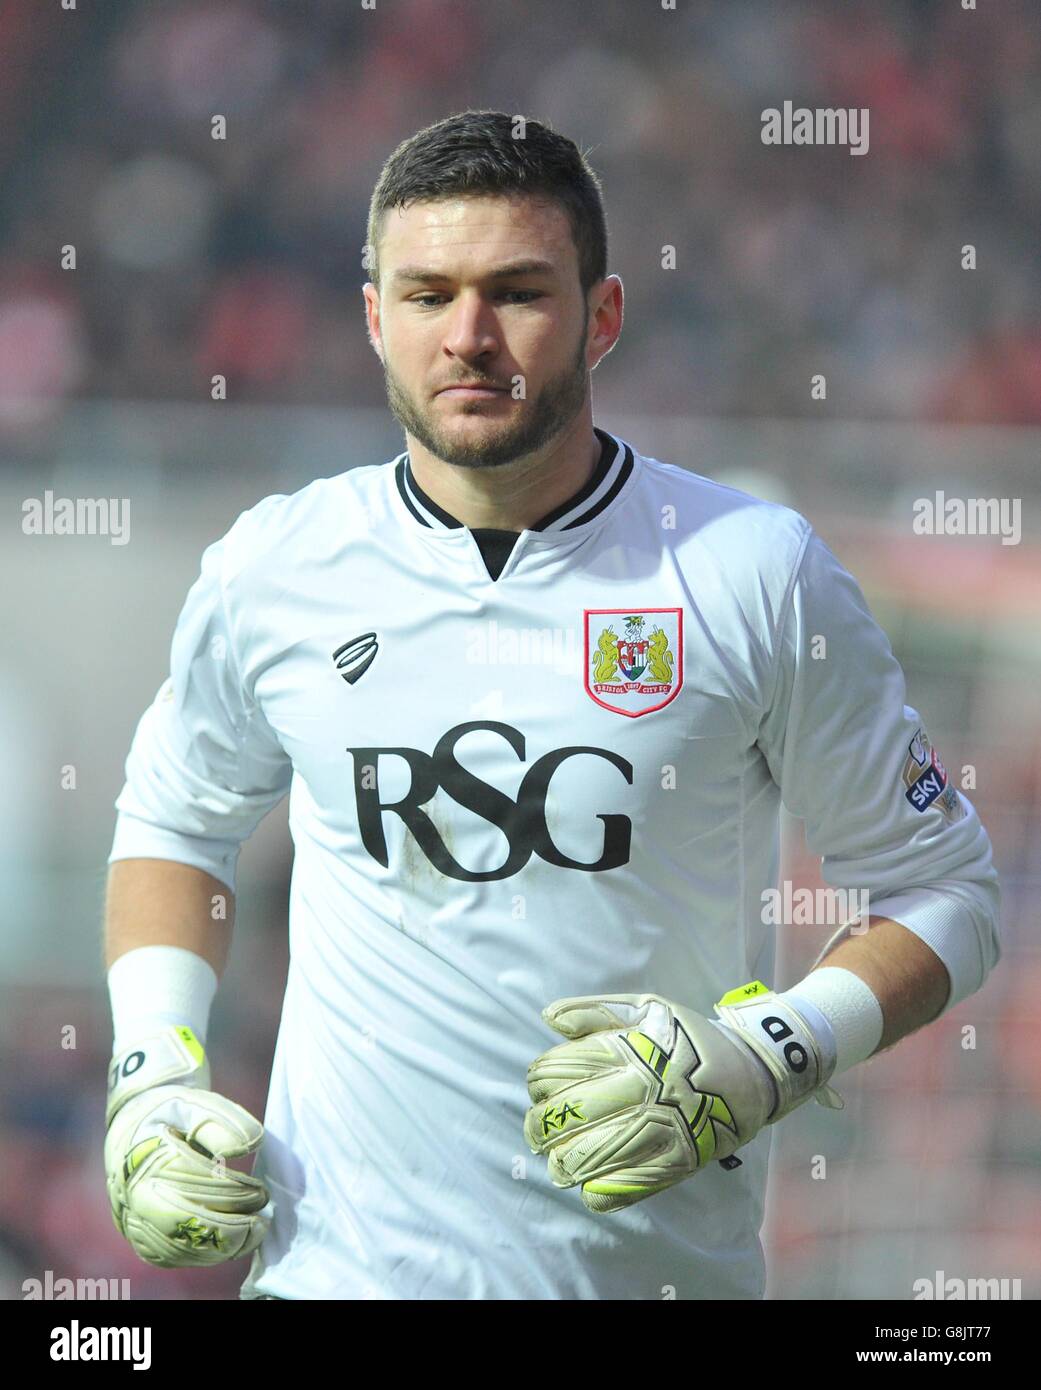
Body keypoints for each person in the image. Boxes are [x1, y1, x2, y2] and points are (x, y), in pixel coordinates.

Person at [103, 110, 1000, 1301]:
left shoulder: (749, 569)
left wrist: (774, 1050)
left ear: (605, 315)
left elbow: (948, 889)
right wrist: (153, 1070)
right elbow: (175, 820)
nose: (468, 337)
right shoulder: (275, 567)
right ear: (376, 317)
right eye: (426, 296)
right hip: (332, 1277)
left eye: (516, 291)